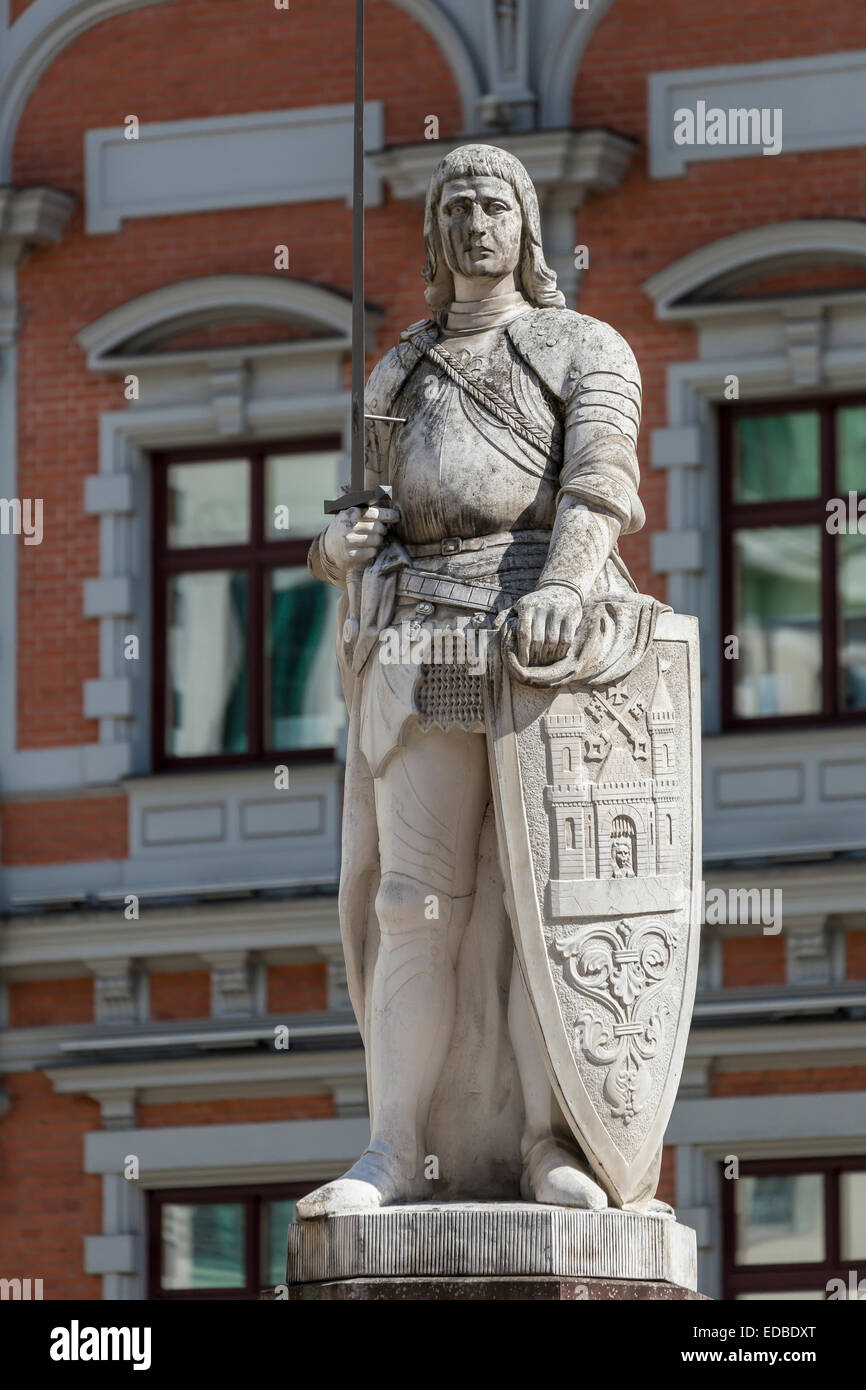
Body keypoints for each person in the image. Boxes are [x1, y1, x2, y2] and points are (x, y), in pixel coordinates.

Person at [300, 144, 666, 1218]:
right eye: (453, 203)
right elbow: (356, 519)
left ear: (525, 222)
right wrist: (339, 547)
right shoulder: (398, 368)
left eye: (492, 201)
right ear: (433, 231)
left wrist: (561, 584)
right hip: (417, 642)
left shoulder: (580, 345)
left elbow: (601, 486)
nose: (473, 221)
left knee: (538, 904)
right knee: (414, 903)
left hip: (536, 640)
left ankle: (553, 1139)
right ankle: (390, 1146)